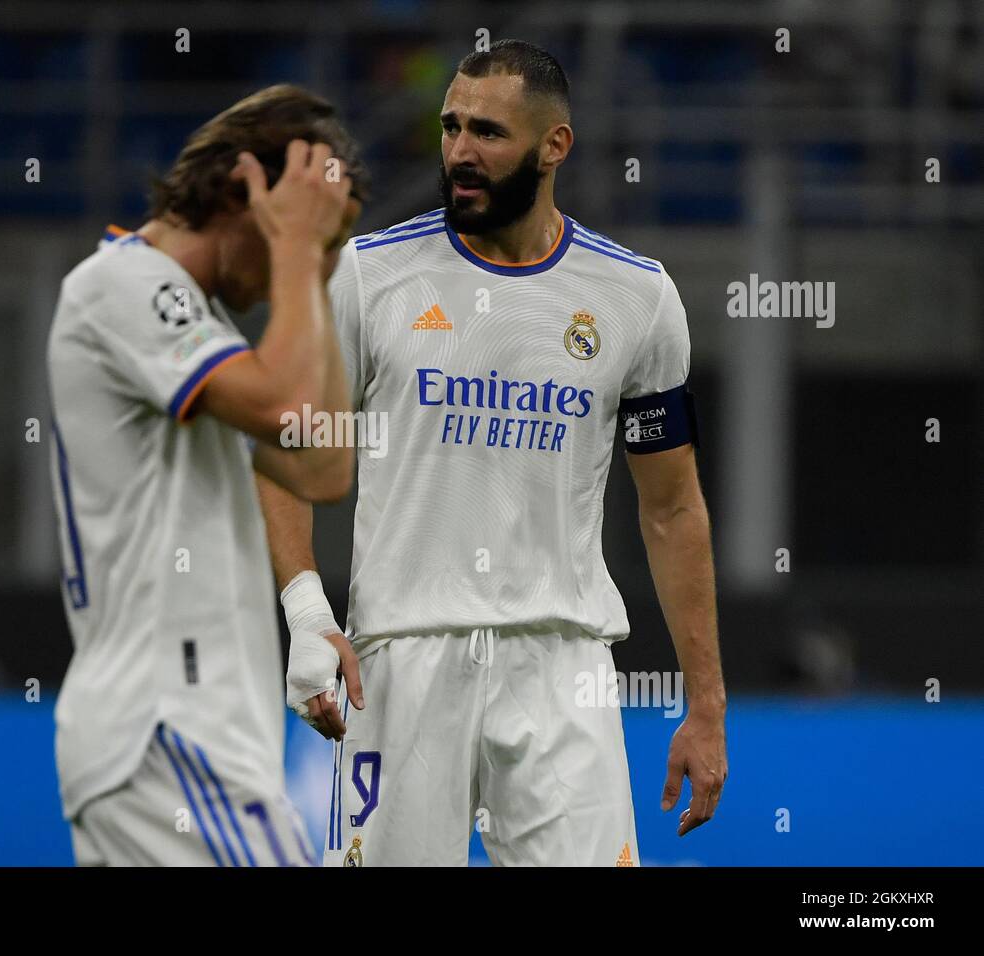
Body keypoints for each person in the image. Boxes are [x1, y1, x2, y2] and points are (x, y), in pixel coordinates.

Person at [260, 41, 728, 866]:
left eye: (488, 131)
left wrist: (706, 703)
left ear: (556, 147)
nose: (461, 152)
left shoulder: (638, 298)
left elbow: (672, 505)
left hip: (563, 664)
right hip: (403, 659)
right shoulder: (368, 277)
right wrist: (304, 614)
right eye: (450, 127)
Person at [47, 85, 365, 865]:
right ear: (242, 193)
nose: (316, 254)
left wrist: (308, 265)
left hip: (169, 743)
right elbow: (291, 406)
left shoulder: (202, 327)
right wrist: (294, 250)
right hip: (168, 731)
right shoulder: (120, 284)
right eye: (307, 226)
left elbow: (322, 464)